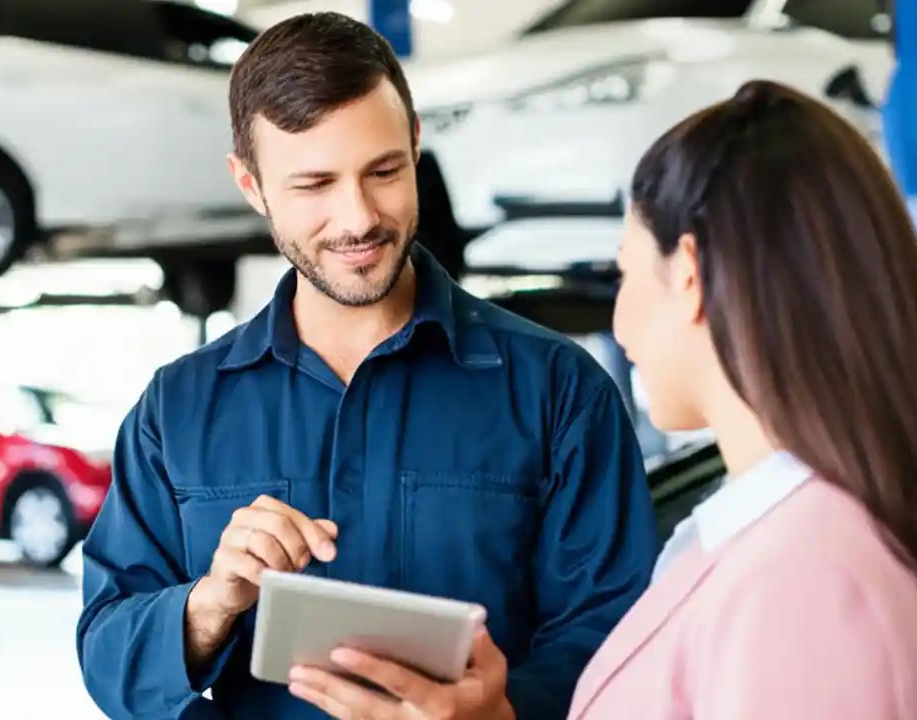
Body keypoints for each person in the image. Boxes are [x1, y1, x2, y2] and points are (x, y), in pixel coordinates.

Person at [75, 12, 657, 720]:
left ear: (415, 145)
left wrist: (503, 714)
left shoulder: (559, 393)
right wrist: (208, 605)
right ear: (251, 184)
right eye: (314, 184)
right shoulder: (178, 411)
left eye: (383, 172)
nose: (357, 218)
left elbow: (621, 638)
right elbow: (107, 654)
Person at [567, 79, 917, 719]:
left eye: (624, 272)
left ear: (688, 274)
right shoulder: (803, 543)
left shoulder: (804, 582)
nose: (618, 319)